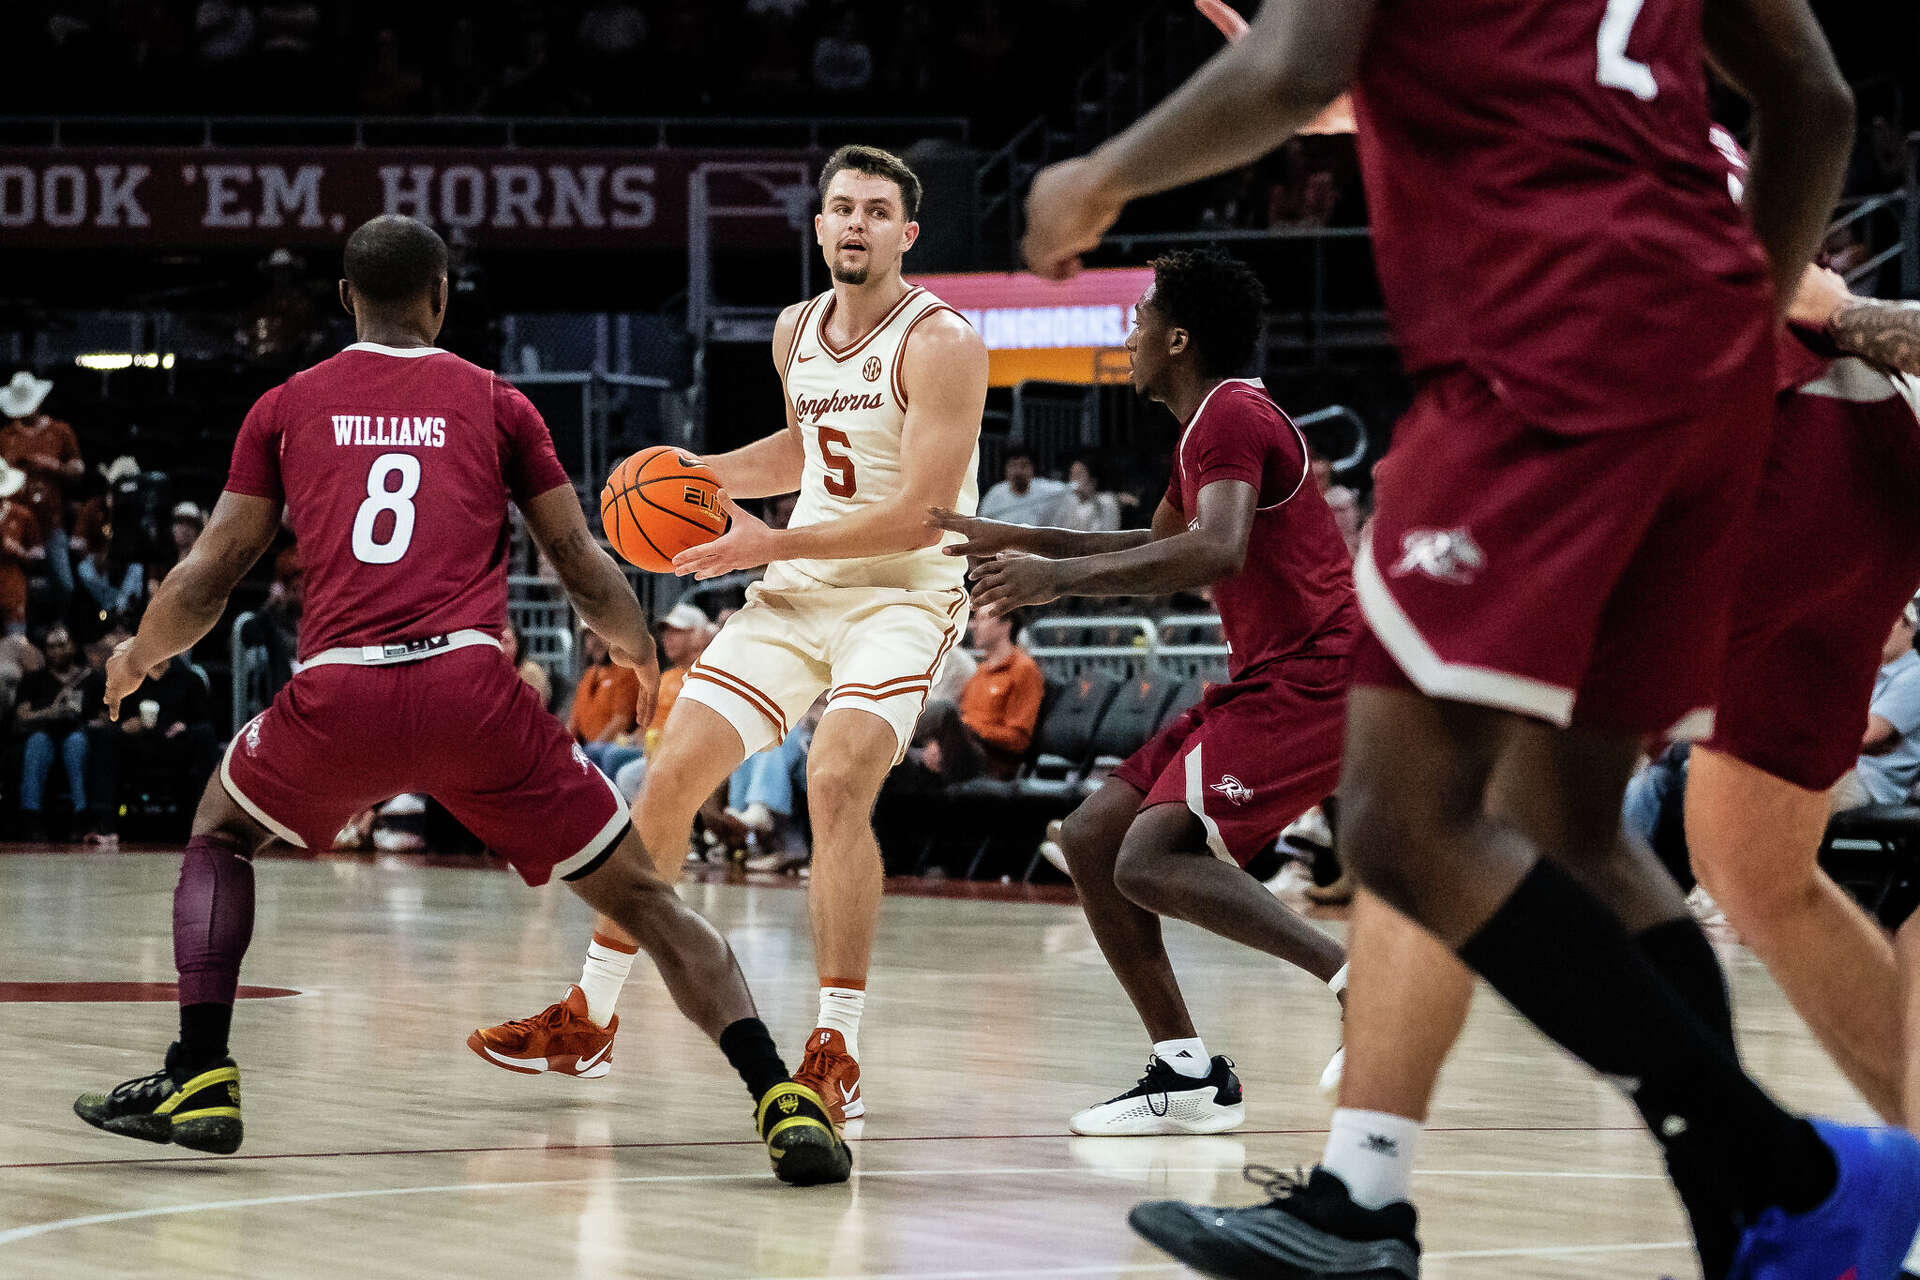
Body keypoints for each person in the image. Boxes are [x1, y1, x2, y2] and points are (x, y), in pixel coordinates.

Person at [1023, 1, 1918, 1278]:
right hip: (1784, 413)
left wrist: (1088, 180)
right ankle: (1759, 1209)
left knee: (1414, 813)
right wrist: (1736, 329)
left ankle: (1732, 1177)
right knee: (1603, 832)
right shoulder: (1597, 84)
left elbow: (1291, 63)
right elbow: (1816, 100)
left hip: (1565, 361)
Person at [72, 214, 848, 1187]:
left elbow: (206, 577)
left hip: (340, 688)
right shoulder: (497, 401)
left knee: (222, 830)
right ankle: (779, 1095)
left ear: (347, 298)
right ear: (440, 299)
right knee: (646, 898)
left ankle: (203, 1070)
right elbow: (578, 562)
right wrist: (638, 646)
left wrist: (137, 656)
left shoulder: (285, 404)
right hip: (474, 691)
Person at [471, 146, 986, 1128]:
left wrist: (765, 536)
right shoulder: (797, 329)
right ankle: (592, 1016)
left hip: (903, 592)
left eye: (877, 211)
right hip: (799, 587)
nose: (855, 224)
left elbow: (925, 514)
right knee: (666, 778)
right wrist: (695, 469)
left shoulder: (943, 342)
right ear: (820, 222)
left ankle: (835, 1043)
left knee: (833, 779)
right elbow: (804, 447)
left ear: (906, 234)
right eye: (841, 207)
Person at [932, 250, 1353, 1135]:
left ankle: (1359, 983)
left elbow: (1217, 550)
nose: (1128, 338)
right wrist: (1003, 534)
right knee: (1091, 838)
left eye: (1137, 321)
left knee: (1149, 858)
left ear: (1179, 338)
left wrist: (1053, 583)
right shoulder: (1206, 427)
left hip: (1317, 675)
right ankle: (1185, 1072)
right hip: (1269, 676)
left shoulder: (1232, 414)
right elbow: (1146, 546)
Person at [13, 624, 107, 841]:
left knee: (75, 744)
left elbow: (106, 716)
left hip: (79, 732)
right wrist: (51, 712)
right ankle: (31, 817)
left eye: (62, 645)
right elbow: (21, 716)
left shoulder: (91, 678)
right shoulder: (34, 679)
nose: (57, 651)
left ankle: (81, 817)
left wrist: (94, 722)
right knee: (37, 744)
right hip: (44, 732)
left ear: (73, 646)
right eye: (51, 647)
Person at [566, 629, 640, 772]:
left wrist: (588, 751)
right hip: (588, 748)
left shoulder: (626, 671)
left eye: (601, 632)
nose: (595, 640)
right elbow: (573, 722)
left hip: (611, 748)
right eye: (590, 635)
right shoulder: (588, 676)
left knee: (596, 754)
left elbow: (621, 721)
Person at [977, 449, 1068, 526]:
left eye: (1023, 466)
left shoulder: (1046, 489)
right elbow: (980, 521)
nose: (1018, 471)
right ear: (1006, 470)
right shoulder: (996, 493)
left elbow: (1071, 489)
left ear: (1032, 469)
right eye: (1013, 466)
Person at [0, 459, 38, 635]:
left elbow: (38, 556)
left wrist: (18, 550)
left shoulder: (22, 515)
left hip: (12, 589)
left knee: (16, 644)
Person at [1049, 458, 1121, 533]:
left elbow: (1107, 534)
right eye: (1072, 474)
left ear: (1093, 479)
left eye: (1079, 474)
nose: (1074, 479)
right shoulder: (1069, 502)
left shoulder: (1106, 502)